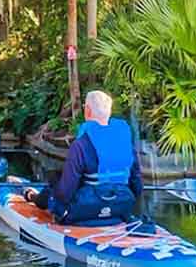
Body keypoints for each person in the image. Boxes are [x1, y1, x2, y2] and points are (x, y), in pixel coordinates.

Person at [24, 91, 145, 226]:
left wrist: (54, 191)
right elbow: (137, 185)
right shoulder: (125, 142)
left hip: (85, 212)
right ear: (109, 112)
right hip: (120, 208)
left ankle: (32, 197)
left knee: (54, 188)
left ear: (87, 110)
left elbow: (65, 193)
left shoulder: (81, 144)